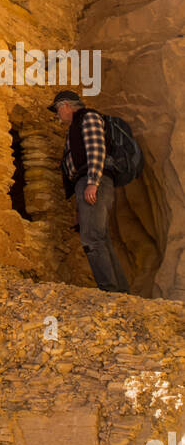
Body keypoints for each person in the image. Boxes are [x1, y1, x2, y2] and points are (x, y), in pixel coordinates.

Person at [48, 89, 129, 294]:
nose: (57, 116)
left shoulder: (88, 117)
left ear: (66, 106)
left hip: (94, 181)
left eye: (57, 110)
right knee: (101, 238)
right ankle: (120, 293)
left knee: (92, 238)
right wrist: (79, 208)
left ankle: (109, 290)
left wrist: (93, 182)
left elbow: (96, 149)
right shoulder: (76, 126)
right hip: (88, 182)